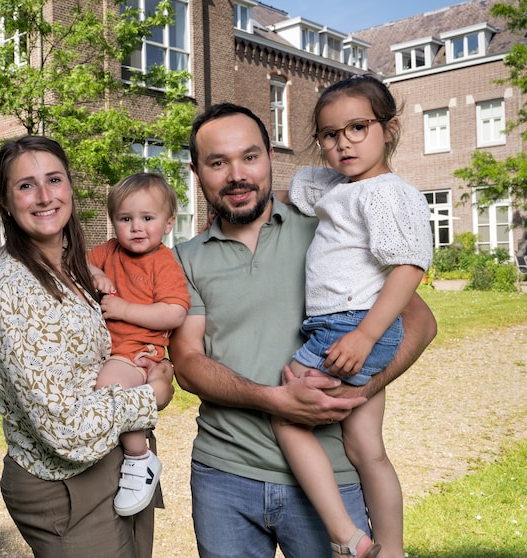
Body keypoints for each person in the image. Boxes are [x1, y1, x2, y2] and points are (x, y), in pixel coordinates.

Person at [170, 103, 437, 558]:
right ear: (197, 172)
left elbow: (419, 321)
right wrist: (274, 400)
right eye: (218, 163)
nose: (237, 174)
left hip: (332, 477)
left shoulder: (328, 229)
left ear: (270, 156)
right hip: (224, 478)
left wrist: (359, 387)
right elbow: (189, 365)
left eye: (250, 157)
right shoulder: (184, 258)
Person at [0, 135, 177, 557]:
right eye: (26, 185)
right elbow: (65, 431)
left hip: (117, 462)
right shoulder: (11, 290)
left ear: (70, 188)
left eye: (54, 180)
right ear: (6, 202)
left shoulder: (74, 264)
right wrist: (150, 396)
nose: (44, 196)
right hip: (66, 486)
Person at [271, 75, 433, 558]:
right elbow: (299, 187)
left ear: (390, 129)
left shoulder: (387, 192)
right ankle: (393, 549)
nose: (343, 143)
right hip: (348, 324)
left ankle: (346, 537)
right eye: (329, 134)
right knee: (366, 449)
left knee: (288, 413)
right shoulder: (340, 186)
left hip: (350, 326)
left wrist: (365, 335)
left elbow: (409, 268)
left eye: (358, 128)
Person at [87, 172, 190, 516]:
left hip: (136, 353)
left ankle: (139, 459)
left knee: (111, 387)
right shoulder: (108, 252)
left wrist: (124, 308)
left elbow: (174, 312)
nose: (136, 227)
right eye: (125, 219)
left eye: (147, 218)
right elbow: (75, 261)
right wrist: (95, 274)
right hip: (111, 349)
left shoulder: (163, 262)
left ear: (168, 223)